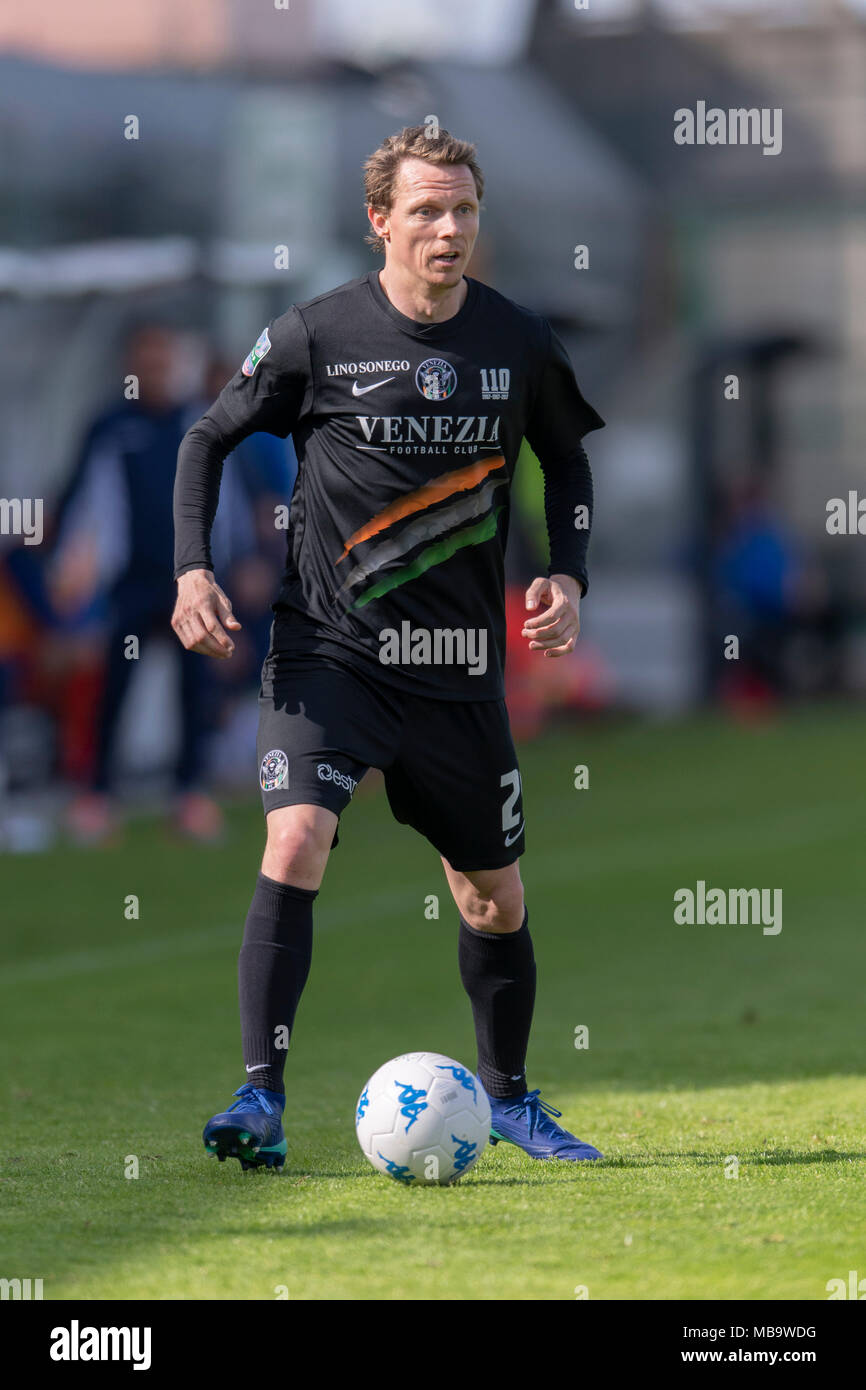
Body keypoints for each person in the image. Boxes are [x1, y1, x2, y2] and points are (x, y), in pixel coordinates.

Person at [172, 126, 606, 1170]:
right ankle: (260, 1097)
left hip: (458, 672)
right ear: (380, 219)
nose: (447, 229)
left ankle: (505, 1098)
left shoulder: (517, 342)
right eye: (424, 210)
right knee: (293, 840)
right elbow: (205, 437)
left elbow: (565, 459)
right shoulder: (314, 336)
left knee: (489, 895)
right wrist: (191, 569)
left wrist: (566, 573)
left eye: (461, 209)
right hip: (330, 654)